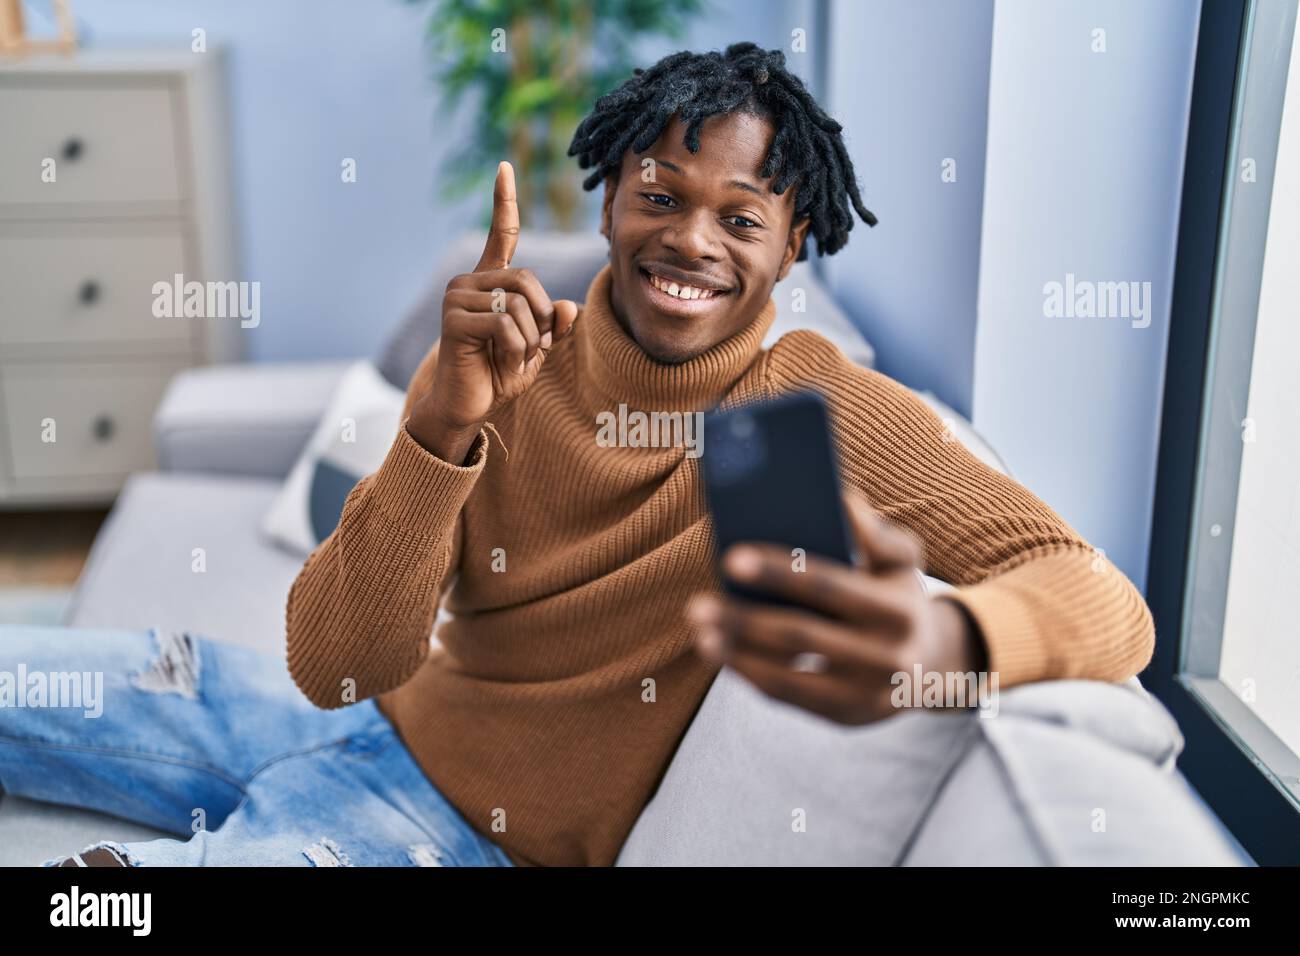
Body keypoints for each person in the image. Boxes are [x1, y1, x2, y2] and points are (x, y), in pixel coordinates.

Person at [0, 43, 1152, 867]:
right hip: (346, 717)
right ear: (606, 201)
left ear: (795, 242)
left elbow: (1100, 595)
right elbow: (335, 661)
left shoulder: (816, 405)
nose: (690, 240)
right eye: (660, 193)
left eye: (741, 217)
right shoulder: (511, 350)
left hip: (436, 832)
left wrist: (953, 636)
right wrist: (440, 429)